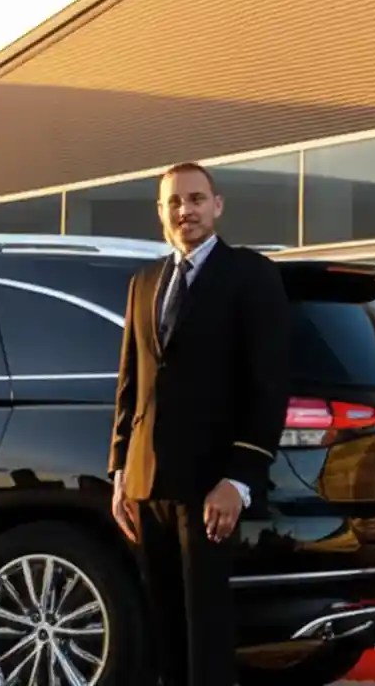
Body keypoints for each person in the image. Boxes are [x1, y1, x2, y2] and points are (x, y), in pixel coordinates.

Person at [108, 161, 291, 686]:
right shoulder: (144, 282)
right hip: (147, 486)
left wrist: (239, 477)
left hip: (211, 486)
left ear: (217, 205)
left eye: (195, 199)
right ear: (160, 213)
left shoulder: (251, 274)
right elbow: (131, 385)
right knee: (163, 630)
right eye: (174, 202)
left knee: (206, 634)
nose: (185, 211)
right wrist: (121, 469)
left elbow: (269, 383)